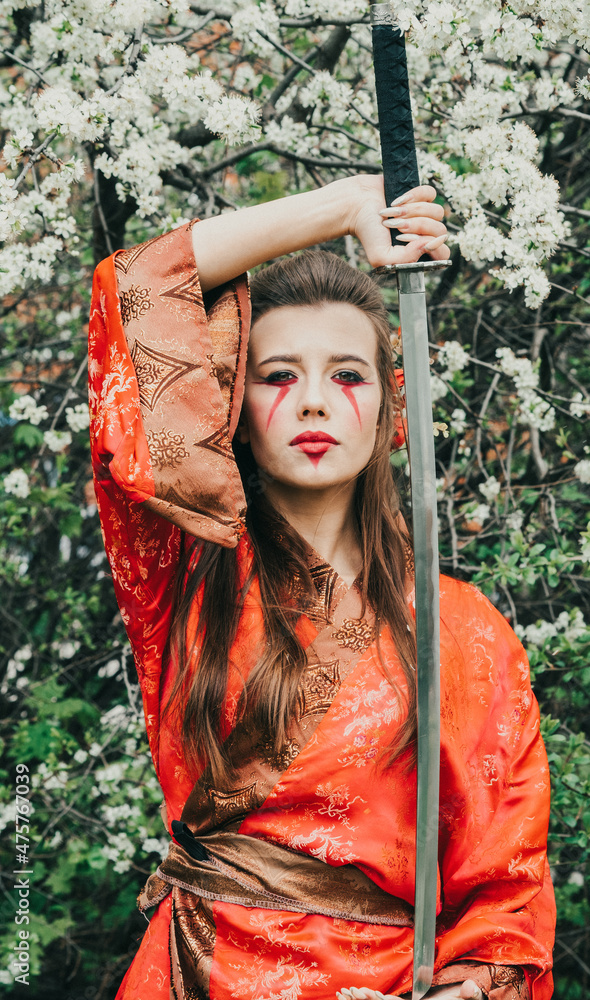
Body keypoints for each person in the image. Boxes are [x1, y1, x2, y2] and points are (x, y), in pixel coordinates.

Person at [88, 174, 555, 1000]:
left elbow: (505, 883)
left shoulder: (465, 629)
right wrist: (345, 207)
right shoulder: (185, 566)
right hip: (195, 974)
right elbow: (139, 292)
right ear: (233, 407)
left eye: (346, 375)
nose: (311, 402)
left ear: (389, 408)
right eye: (275, 377)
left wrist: (470, 987)